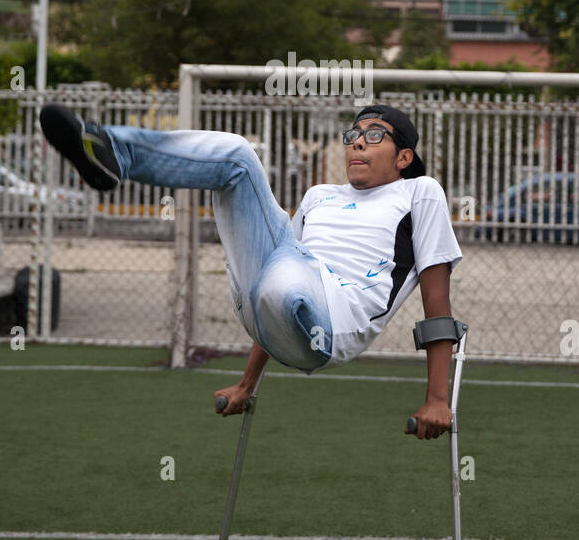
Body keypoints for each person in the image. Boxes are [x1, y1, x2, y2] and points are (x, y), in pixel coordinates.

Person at [39, 102, 463, 439]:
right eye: (352, 135)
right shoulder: (320, 195)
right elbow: (280, 267)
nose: (357, 144)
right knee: (239, 156)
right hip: (267, 305)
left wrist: (437, 398)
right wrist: (246, 384)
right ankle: (113, 156)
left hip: (326, 323)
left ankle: (116, 154)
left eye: (373, 135)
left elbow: (436, 298)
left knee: (285, 282)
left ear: (404, 156)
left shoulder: (419, 192)